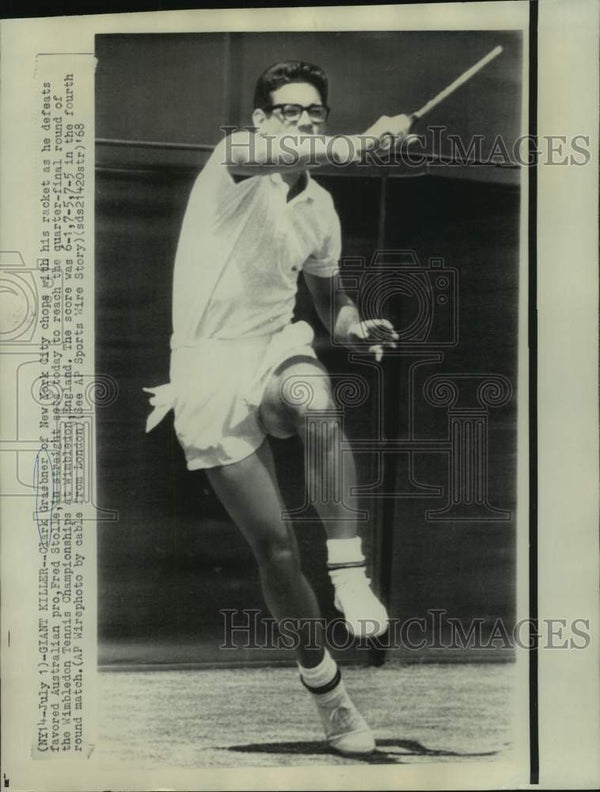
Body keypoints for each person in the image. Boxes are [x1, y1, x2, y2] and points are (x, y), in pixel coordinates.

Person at [145, 60, 411, 755]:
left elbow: (328, 302)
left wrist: (354, 327)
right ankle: (328, 692)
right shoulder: (231, 161)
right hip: (205, 369)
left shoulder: (320, 208)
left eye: (314, 111)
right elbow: (288, 151)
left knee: (315, 398)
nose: (302, 121)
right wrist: (358, 143)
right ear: (261, 121)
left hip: (272, 347)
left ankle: (350, 574)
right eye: (288, 111)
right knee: (276, 549)